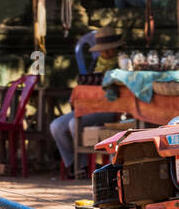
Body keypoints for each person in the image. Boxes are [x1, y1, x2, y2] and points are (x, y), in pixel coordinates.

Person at [50, 28, 126, 178]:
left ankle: (83, 168)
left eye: (108, 50)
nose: (105, 53)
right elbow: (85, 83)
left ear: (114, 48)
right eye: (102, 50)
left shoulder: (123, 63)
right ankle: (74, 165)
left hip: (110, 109)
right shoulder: (96, 63)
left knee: (74, 124)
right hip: (89, 106)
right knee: (56, 126)